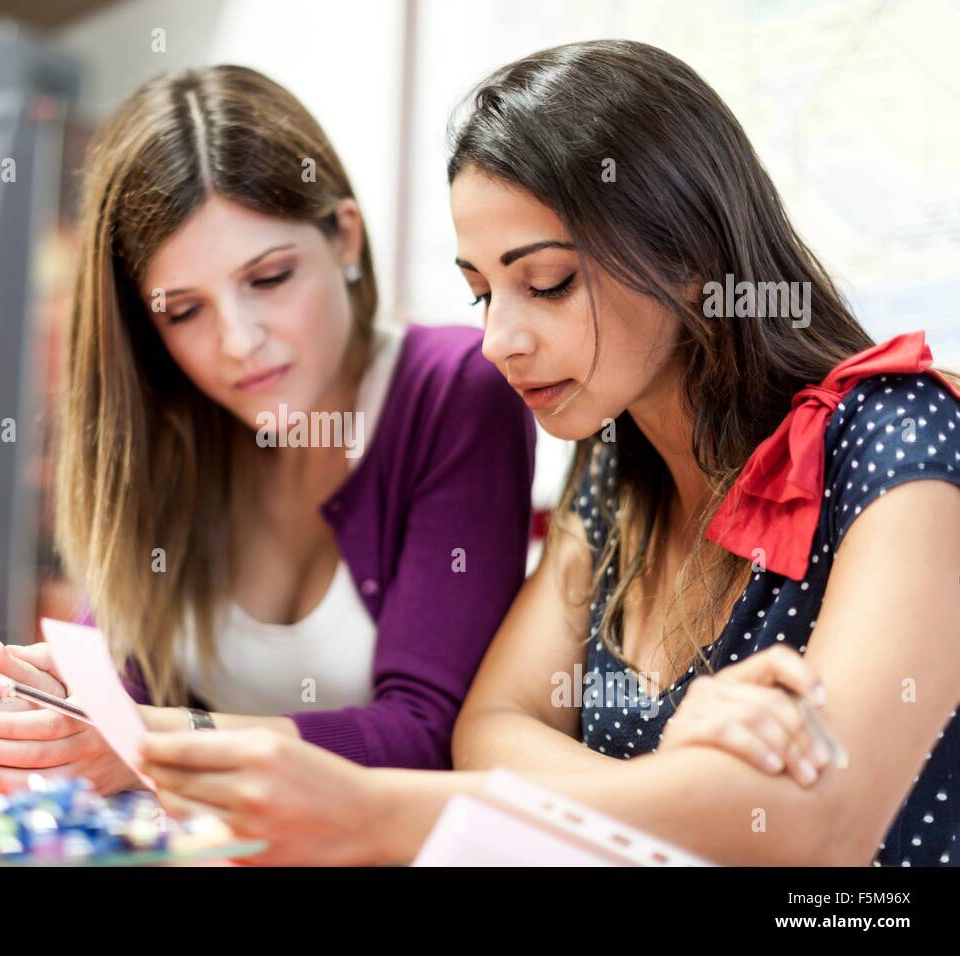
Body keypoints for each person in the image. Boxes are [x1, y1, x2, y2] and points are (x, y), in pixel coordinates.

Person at [131, 40, 960, 867]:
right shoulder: (613, 472)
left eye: (549, 283)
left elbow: (821, 825)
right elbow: (487, 732)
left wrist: (382, 812)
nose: (497, 340)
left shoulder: (902, 436)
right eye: (482, 292)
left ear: (693, 256)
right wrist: (689, 782)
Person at [0, 65, 536, 794]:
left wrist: (149, 740)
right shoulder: (168, 419)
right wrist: (39, 712)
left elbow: (426, 740)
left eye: (270, 278)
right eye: (184, 311)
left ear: (345, 238)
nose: (239, 342)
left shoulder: (456, 389)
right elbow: (110, 694)